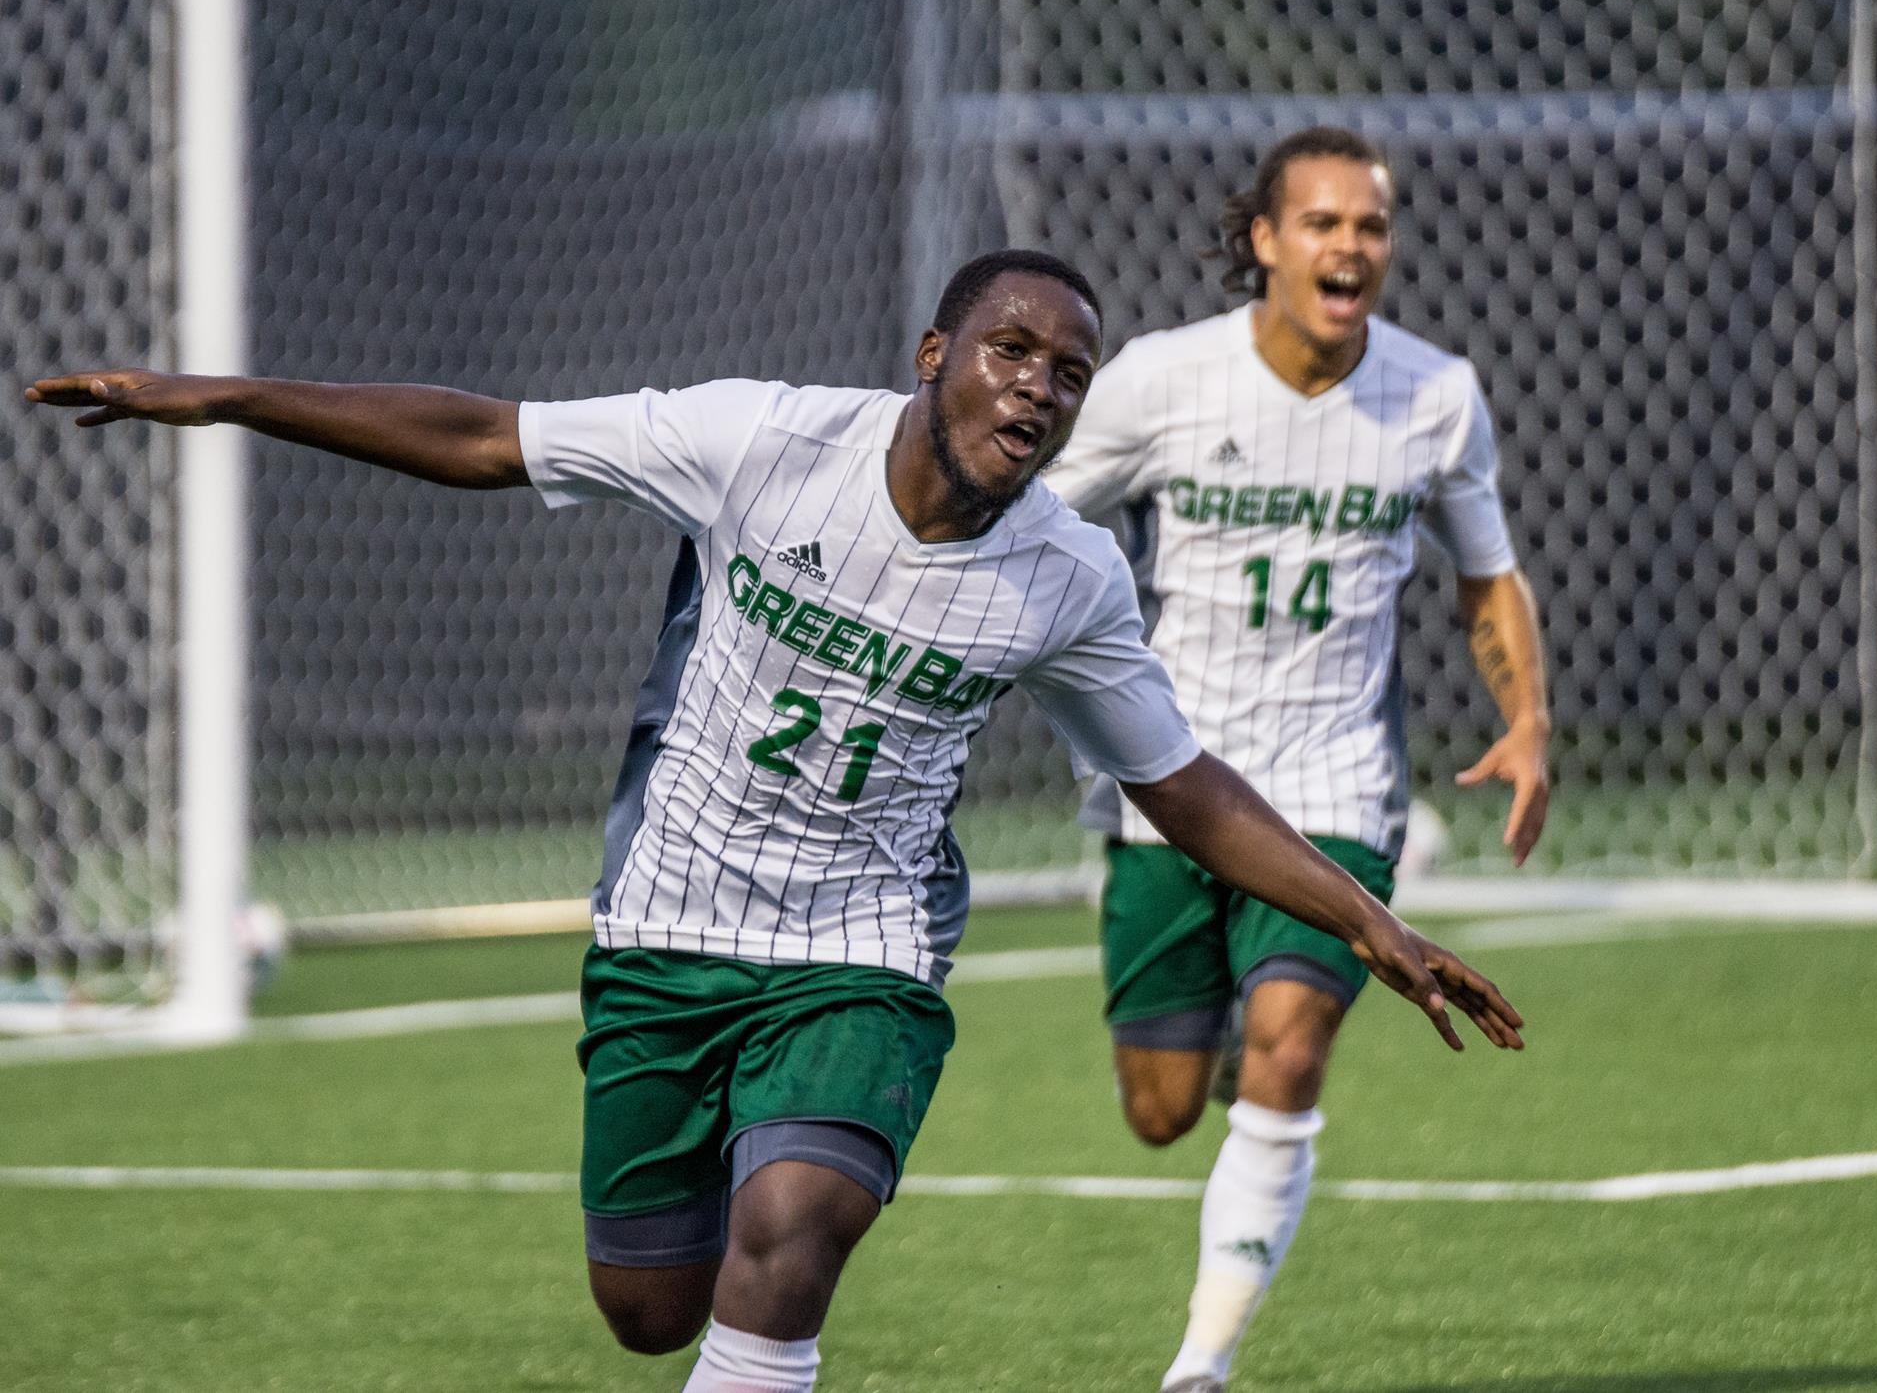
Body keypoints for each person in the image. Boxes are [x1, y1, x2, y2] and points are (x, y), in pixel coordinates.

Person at [27, 247, 1523, 1393]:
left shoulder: (1071, 577)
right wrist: (215, 396)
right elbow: (488, 436)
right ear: (936, 355)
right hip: (667, 928)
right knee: (647, 1311)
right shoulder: (759, 440)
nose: (1038, 389)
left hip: (860, 955)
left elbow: (1182, 784)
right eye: (1010, 351)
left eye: (1070, 375)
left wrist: (1371, 919)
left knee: (794, 1233)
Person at [1040, 133, 1552, 1392]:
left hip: (1334, 792)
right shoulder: (1161, 382)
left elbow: (1486, 576)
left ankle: (1198, 1368)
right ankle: (1211, 1042)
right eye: (1320, 223)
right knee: (1160, 1111)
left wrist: (1528, 719)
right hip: (1167, 782)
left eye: (1368, 226)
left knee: (1288, 1046)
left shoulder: (1434, 395)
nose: (1349, 247)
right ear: (1262, 240)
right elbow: (1032, 516)